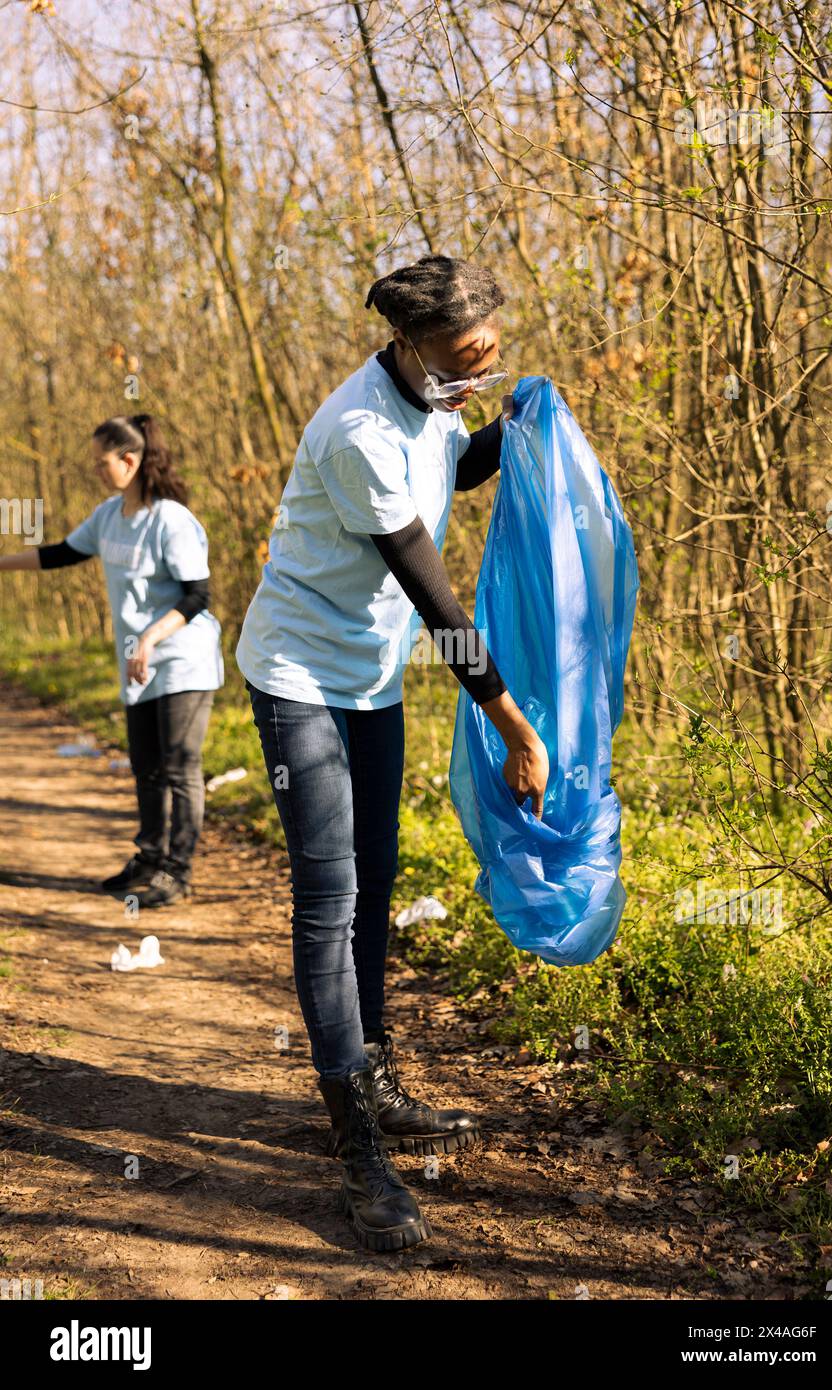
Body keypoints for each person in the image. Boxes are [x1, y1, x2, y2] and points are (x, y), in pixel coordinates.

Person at [237, 254, 549, 1252]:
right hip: (298, 676)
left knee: (378, 881)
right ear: (407, 347)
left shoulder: (430, 398)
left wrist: (513, 430)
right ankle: (357, 1150)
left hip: (367, 678)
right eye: (464, 359)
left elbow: (449, 467)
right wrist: (516, 729)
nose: (478, 370)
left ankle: (373, 1071)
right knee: (328, 898)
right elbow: (436, 601)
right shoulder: (357, 431)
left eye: (490, 354)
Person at [0, 414, 223, 908]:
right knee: (145, 765)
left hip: (182, 657)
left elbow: (197, 596)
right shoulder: (107, 516)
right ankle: (148, 856)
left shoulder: (172, 520)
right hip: (138, 663)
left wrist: (149, 638)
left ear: (130, 459)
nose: (97, 471)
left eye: (103, 462)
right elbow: (60, 554)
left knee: (180, 766)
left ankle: (177, 871)